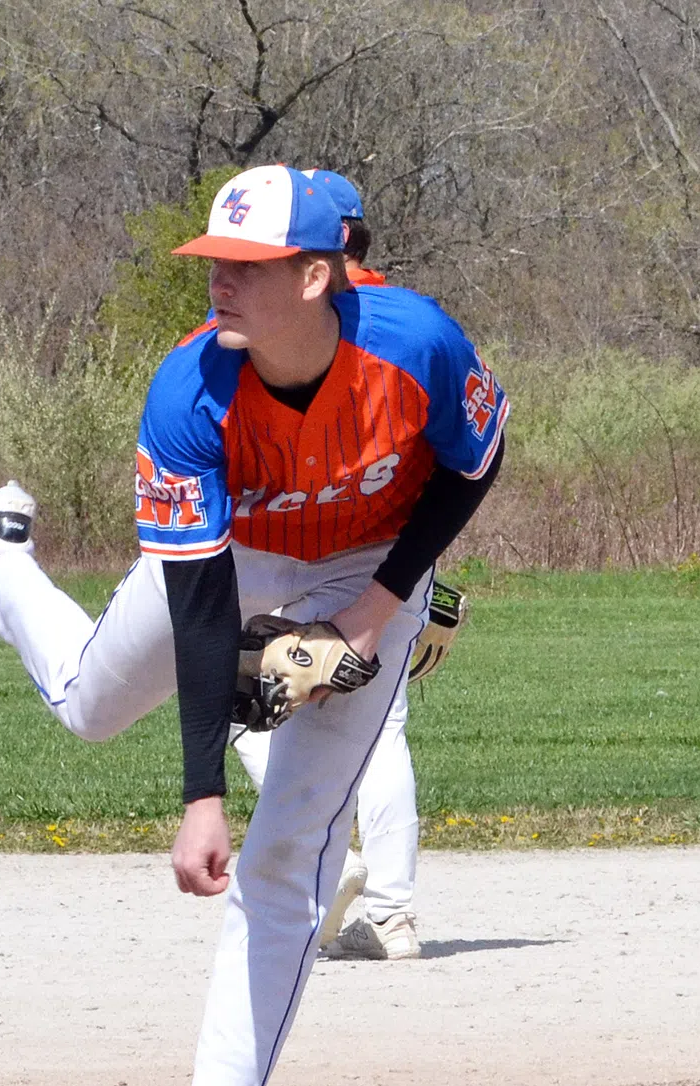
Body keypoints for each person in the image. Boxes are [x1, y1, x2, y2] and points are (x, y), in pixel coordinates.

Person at [0, 164, 506, 1086]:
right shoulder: (189, 388)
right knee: (90, 707)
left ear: (319, 276)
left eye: (245, 264)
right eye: (213, 261)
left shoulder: (416, 343)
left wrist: (373, 618)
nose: (217, 282)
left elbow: (473, 466)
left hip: (369, 568)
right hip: (235, 558)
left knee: (295, 842)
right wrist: (200, 798)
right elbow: (197, 605)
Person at [230, 167, 424, 961]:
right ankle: (394, 911)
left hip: (292, 545)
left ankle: (323, 842)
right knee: (381, 728)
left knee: (236, 693)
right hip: (393, 559)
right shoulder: (399, 317)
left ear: (323, 251)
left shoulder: (306, 322)